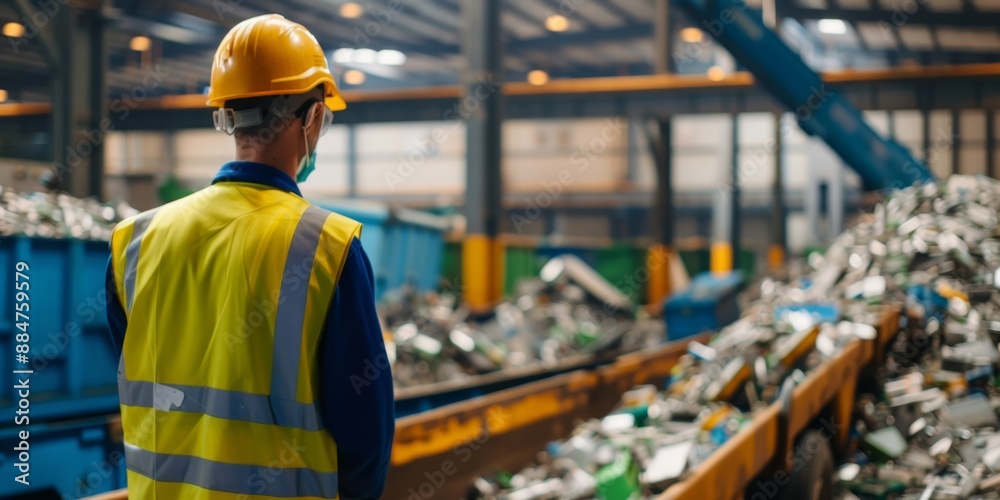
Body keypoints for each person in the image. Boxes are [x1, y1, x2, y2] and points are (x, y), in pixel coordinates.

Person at [104, 14, 394, 499]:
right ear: (314, 118)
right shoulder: (328, 246)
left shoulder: (134, 240)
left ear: (227, 116)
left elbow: (147, 379)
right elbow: (365, 434)